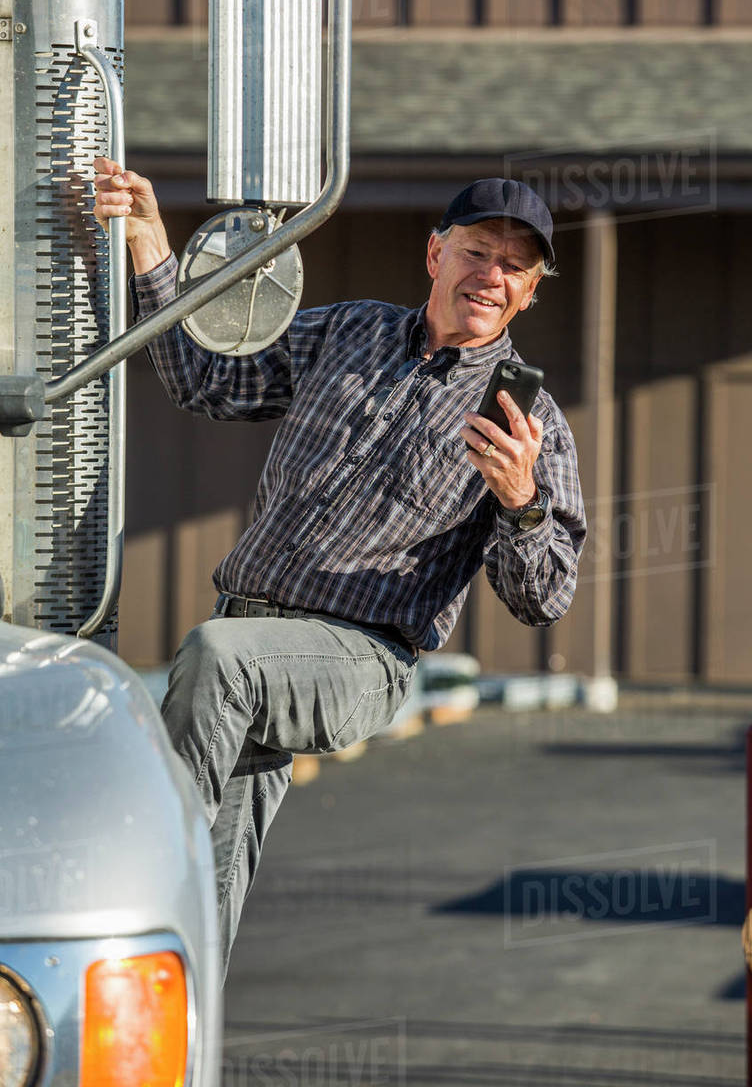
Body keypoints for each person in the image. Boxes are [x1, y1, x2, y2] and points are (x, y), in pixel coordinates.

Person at [93, 159, 587, 980]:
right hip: (253, 629)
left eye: (515, 266)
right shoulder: (348, 330)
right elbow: (208, 378)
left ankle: (132, 871)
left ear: (531, 292)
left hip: (359, 658)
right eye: (477, 251)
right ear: (436, 255)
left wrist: (521, 502)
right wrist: (149, 242)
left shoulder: (529, 424)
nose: (492, 276)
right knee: (210, 884)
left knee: (216, 660)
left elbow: (545, 599)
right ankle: (173, 1030)